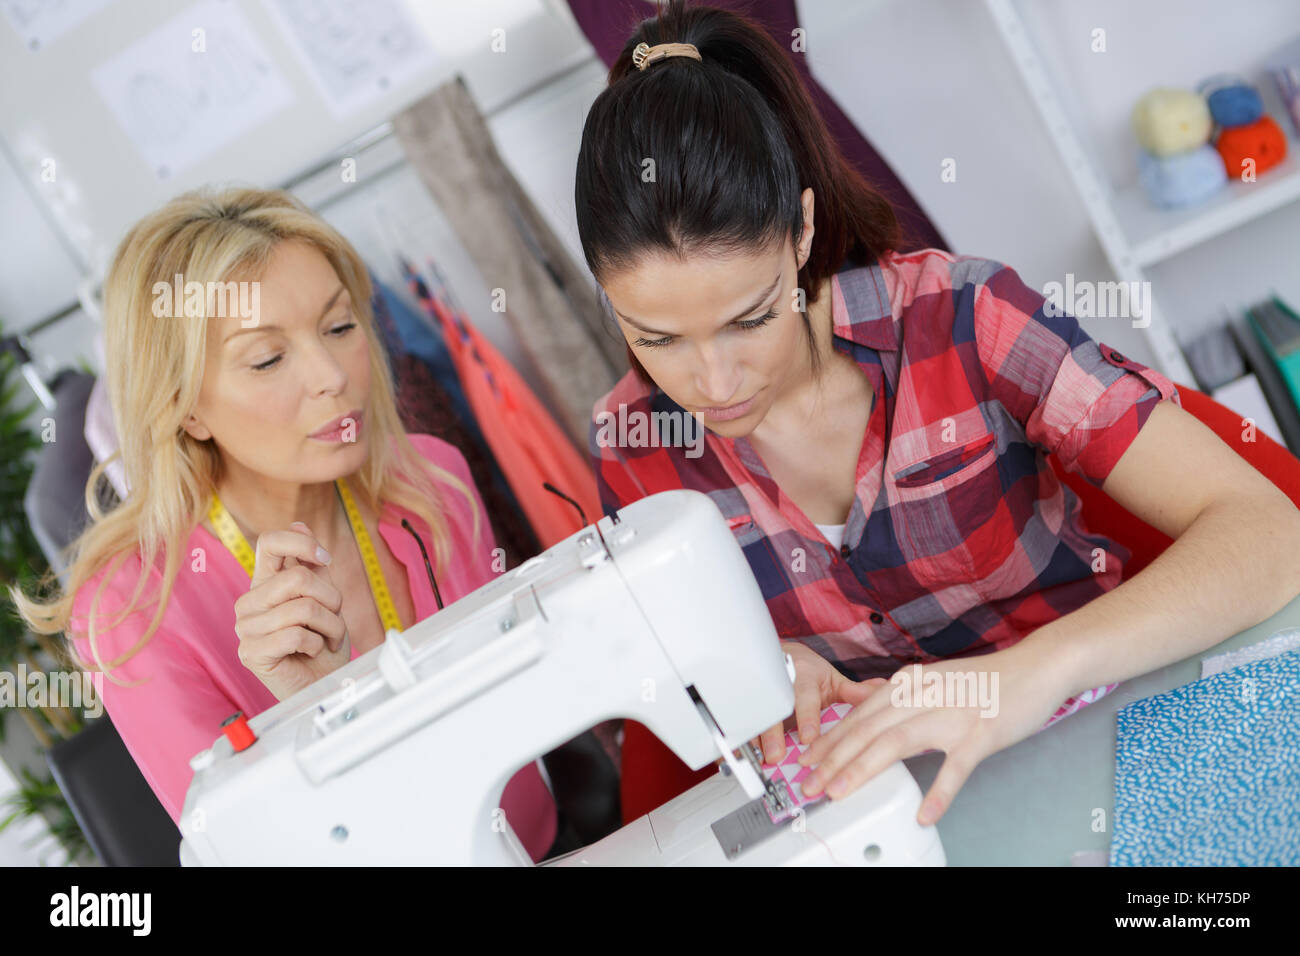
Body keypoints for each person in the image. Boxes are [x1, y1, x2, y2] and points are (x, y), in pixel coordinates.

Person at [577, 0, 1300, 827]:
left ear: (802, 230)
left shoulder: (964, 318)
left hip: (1116, 743)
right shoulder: (637, 445)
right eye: (657, 339)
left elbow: (1268, 532)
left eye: (748, 318)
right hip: (919, 816)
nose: (711, 383)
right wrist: (758, 672)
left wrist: (1025, 675)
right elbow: (673, 674)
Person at [11, 186, 557, 861]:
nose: (333, 376)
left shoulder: (431, 480)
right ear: (185, 408)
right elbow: (261, 854)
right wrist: (316, 706)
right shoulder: (129, 609)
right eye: (268, 359)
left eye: (339, 326)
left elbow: (520, 727)